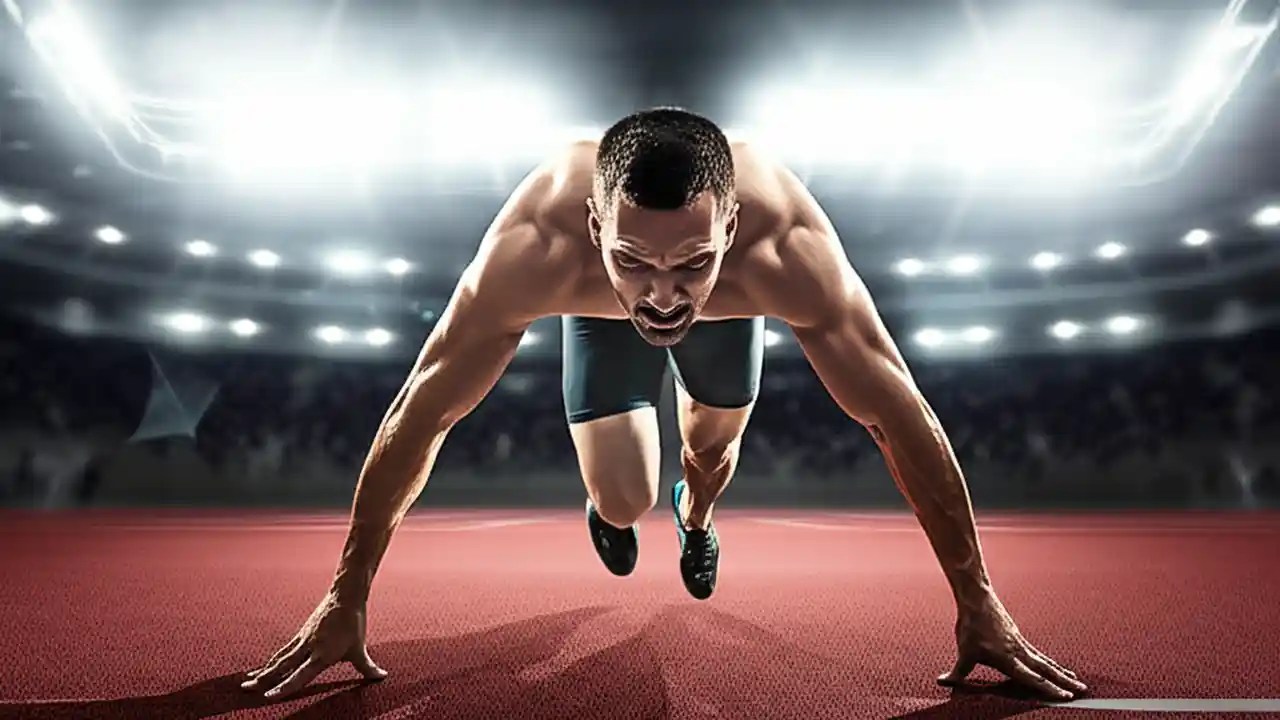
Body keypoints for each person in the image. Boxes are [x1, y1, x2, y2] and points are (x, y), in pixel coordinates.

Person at [241, 107, 1087, 702]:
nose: (662, 300)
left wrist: (978, 602)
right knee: (621, 494)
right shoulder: (536, 247)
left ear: (734, 225)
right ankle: (624, 505)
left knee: (708, 459)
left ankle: (697, 520)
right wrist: (348, 593)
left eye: (689, 264)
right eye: (633, 262)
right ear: (589, 220)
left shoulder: (785, 250)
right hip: (591, 306)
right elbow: (422, 411)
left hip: (738, 309)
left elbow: (897, 415)